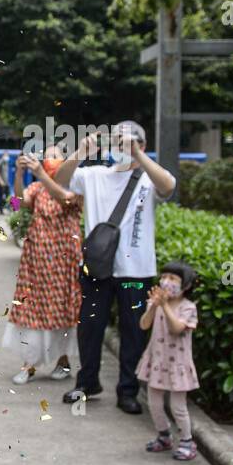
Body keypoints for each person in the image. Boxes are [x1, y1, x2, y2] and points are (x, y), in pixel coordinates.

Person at [52, 121, 177, 414]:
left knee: (133, 331)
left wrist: (138, 154)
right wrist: (82, 150)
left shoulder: (147, 179)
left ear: (142, 146)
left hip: (136, 271)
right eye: (116, 143)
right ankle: (87, 382)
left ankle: (128, 390)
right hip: (97, 268)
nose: (120, 149)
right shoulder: (94, 175)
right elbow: (61, 178)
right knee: (90, 327)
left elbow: (169, 185)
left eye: (127, 143)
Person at [2, 146, 81, 384]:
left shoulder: (75, 188)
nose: (48, 160)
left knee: (62, 309)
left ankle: (63, 362)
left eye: (55, 155)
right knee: (32, 310)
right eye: (47, 155)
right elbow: (16, 204)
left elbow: (65, 201)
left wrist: (41, 175)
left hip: (62, 262)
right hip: (36, 262)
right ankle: (29, 364)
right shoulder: (37, 189)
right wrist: (18, 174)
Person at [138, 261, 200, 461]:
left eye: (173, 279)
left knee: (178, 407)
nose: (166, 282)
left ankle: (187, 441)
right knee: (154, 403)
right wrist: (154, 307)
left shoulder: (188, 308)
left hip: (178, 365)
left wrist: (164, 306)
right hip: (157, 360)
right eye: (164, 277)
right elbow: (144, 325)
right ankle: (164, 435)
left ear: (186, 286)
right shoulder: (155, 303)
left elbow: (176, 328)